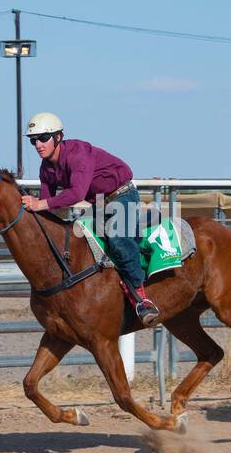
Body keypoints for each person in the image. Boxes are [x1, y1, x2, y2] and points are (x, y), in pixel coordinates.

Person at [19, 112, 161, 326]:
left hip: (122, 194)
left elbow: (75, 194)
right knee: (79, 239)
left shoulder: (78, 154)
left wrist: (38, 203)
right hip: (100, 202)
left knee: (118, 239)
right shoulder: (46, 167)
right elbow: (47, 204)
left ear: (58, 137)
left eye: (43, 138)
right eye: (33, 140)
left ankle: (142, 299)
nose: (38, 144)